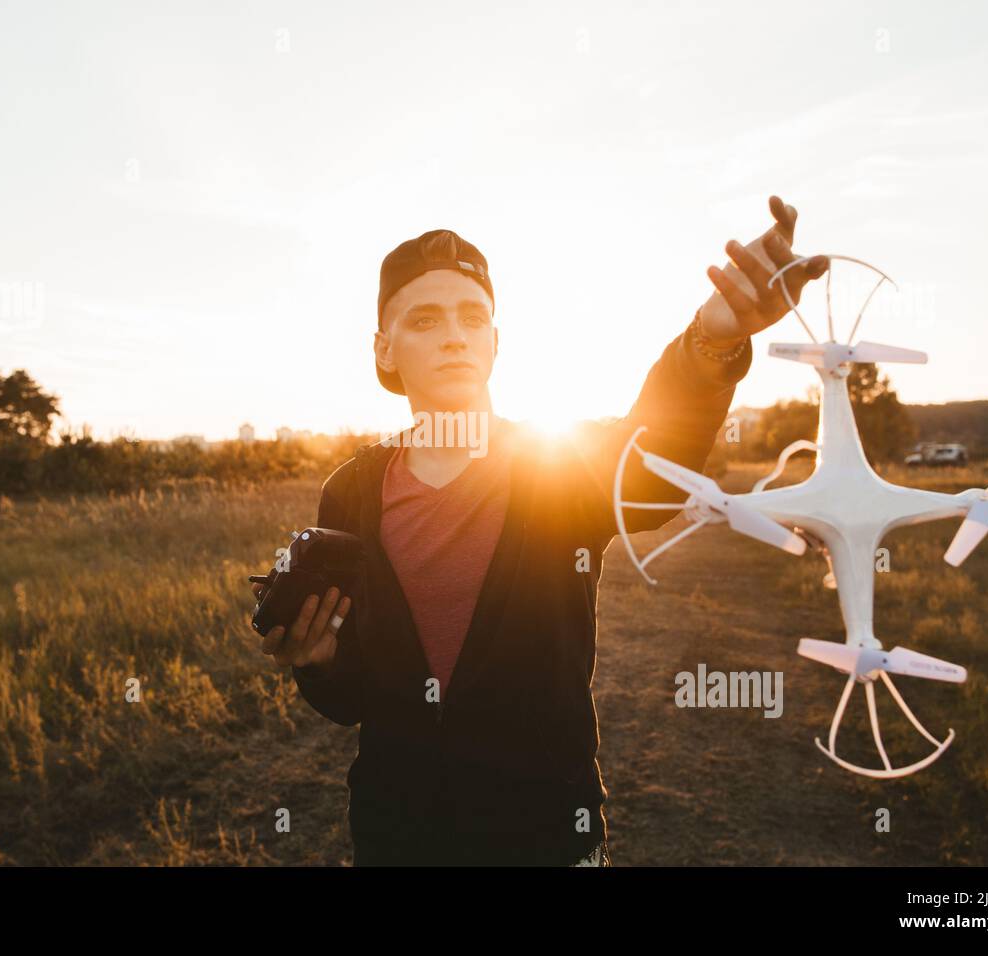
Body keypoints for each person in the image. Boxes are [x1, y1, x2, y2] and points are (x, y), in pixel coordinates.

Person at [251, 196, 828, 866]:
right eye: (425, 319)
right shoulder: (350, 492)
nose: (454, 335)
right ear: (384, 348)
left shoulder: (560, 468)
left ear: (496, 341)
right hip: (396, 835)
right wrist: (318, 662)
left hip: (548, 832)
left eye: (474, 317)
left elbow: (659, 464)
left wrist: (714, 337)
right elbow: (352, 696)